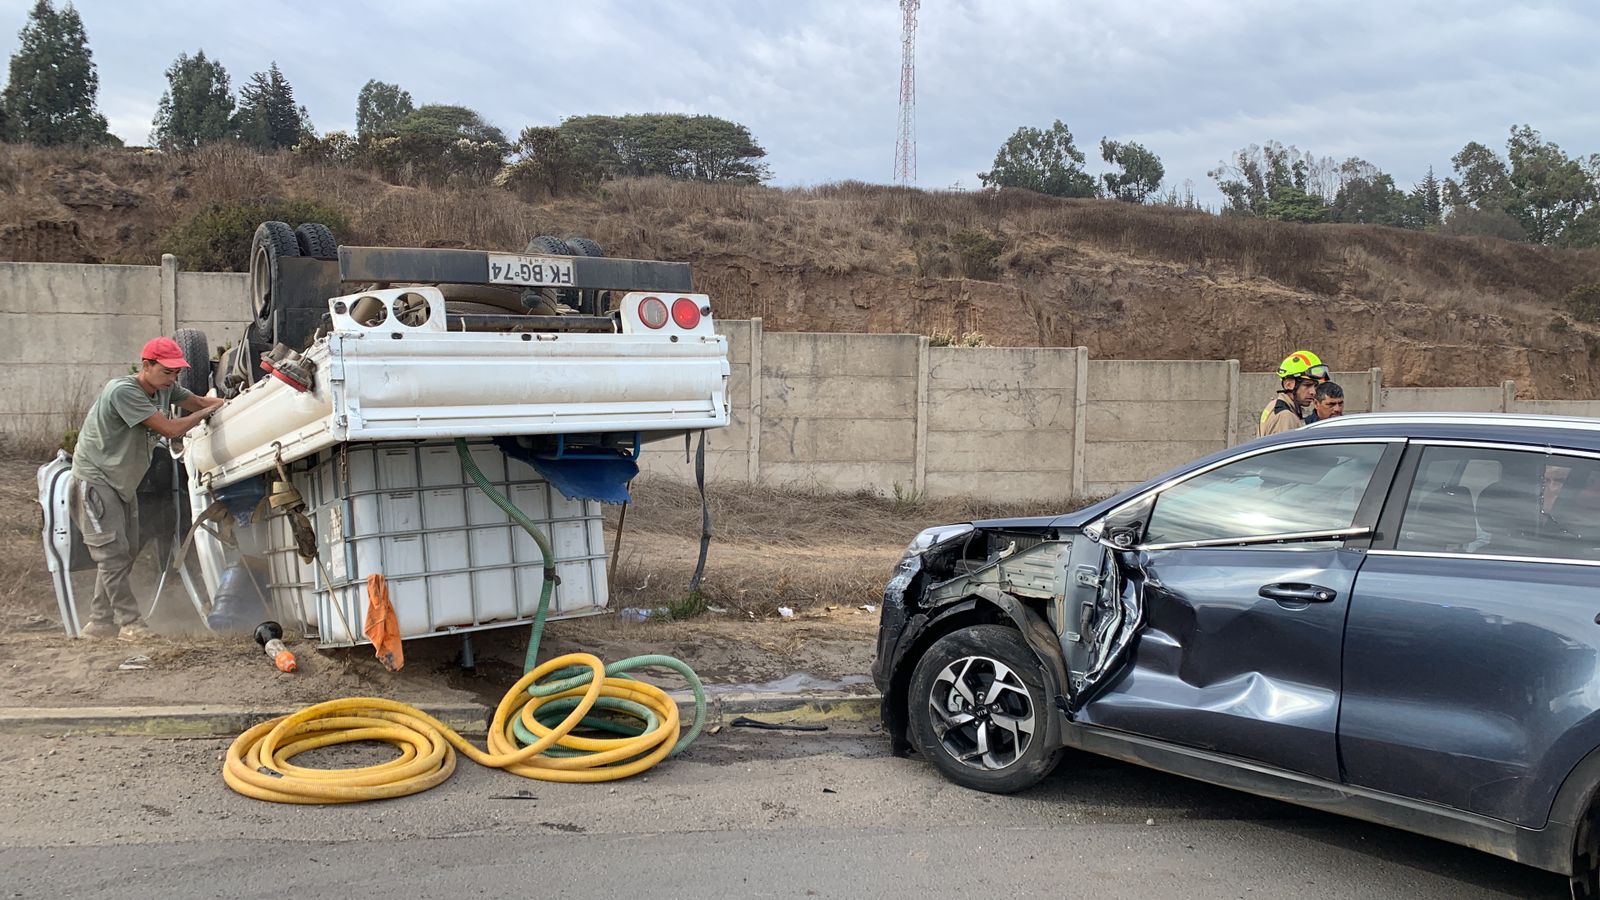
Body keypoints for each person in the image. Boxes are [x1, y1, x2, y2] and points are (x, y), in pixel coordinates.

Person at [69, 337, 225, 640]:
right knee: (111, 554)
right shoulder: (123, 391)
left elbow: (197, 402)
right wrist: (204, 415)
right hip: (95, 478)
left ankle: (99, 622)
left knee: (123, 552)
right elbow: (170, 428)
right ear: (146, 366)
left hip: (122, 482)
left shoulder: (164, 388)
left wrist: (225, 404)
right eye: (167, 371)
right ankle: (130, 624)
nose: (172, 378)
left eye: (176, 373)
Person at [1258, 350, 1329, 437]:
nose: (1313, 392)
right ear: (1289, 385)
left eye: (1315, 386)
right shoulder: (1285, 416)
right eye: (1307, 385)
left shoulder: (1275, 405)